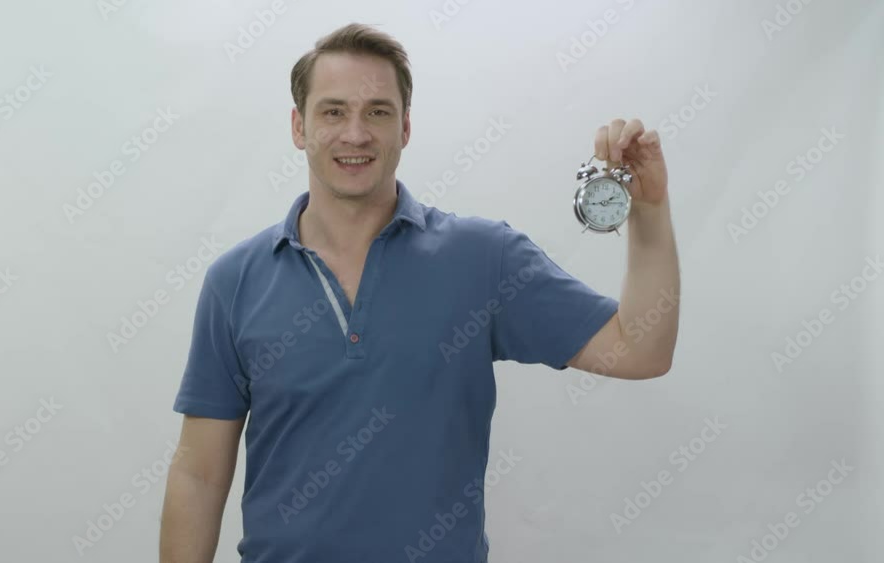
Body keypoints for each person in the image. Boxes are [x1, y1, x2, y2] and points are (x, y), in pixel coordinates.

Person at [159, 22, 679, 563]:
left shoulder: (483, 258)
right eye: (333, 111)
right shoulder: (235, 281)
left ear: (405, 127)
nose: (355, 134)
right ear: (299, 126)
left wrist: (649, 208)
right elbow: (199, 474)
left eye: (378, 112)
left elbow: (640, 350)